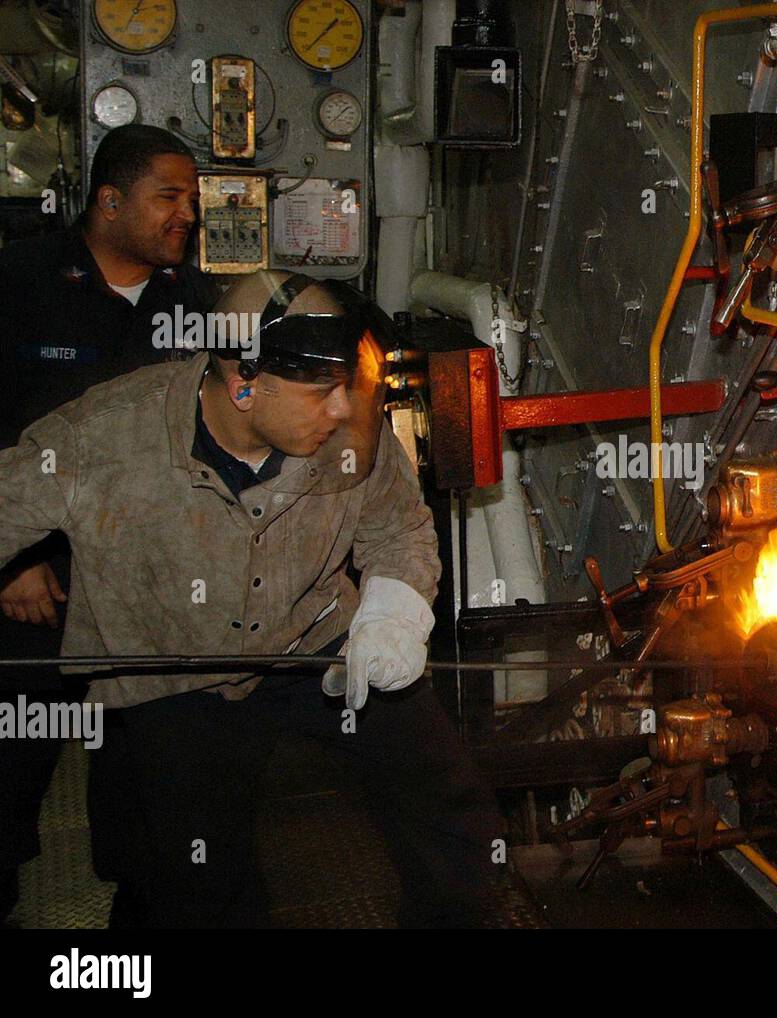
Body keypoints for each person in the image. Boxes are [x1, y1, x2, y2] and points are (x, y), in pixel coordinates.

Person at [0, 270, 502, 927]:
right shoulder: (106, 437)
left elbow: (400, 531)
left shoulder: (351, 434)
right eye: (324, 393)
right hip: (176, 671)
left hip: (312, 639)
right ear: (243, 381)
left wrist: (393, 613)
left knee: (454, 813)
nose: (344, 412)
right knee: (199, 879)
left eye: (349, 390)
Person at [0, 124, 214, 924]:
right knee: (13, 770)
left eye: (191, 199)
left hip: (142, 590)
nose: (186, 214)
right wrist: (9, 563)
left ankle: (134, 938)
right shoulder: (18, 284)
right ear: (109, 199)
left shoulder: (190, 304)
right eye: (169, 196)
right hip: (34, 588)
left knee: (148, 788)